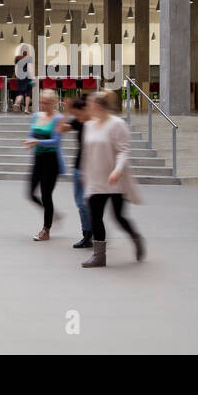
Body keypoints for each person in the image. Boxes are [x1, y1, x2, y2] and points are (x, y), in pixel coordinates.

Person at [81, 89, 145, 268]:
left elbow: (124, 150)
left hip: (115, 181)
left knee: (118, 217)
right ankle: (99, 256)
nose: (88, 107)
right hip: (96, 181)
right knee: (95, 217)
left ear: (99, 106)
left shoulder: (117, 124)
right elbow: (87, 153)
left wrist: (117, 170)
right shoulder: (89, 126)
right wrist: (85, 177)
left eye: (90, 104)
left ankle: (136, 238)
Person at [23, 91, 67, 241]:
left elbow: (56, 141)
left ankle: (46, 229)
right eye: (42, 102)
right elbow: (32, 133)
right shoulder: (36, 116)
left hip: (51, 160)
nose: (44, 105)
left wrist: (37, 142)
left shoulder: (59, 118)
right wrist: (29, 140)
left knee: (46, 195)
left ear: (54, 103)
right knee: (30, 193)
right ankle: (52, 213)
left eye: (47, 102)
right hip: (38, 158)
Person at [64, 97, 93, 250]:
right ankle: (87, 234)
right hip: (78, 167)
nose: (77, 117)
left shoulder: (94, 124)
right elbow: (60, 129)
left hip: (91, 169)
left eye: (77, 113)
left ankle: (93, 233)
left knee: (85, 203)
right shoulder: (78, 121)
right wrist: (67, 112)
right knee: (80, 204)